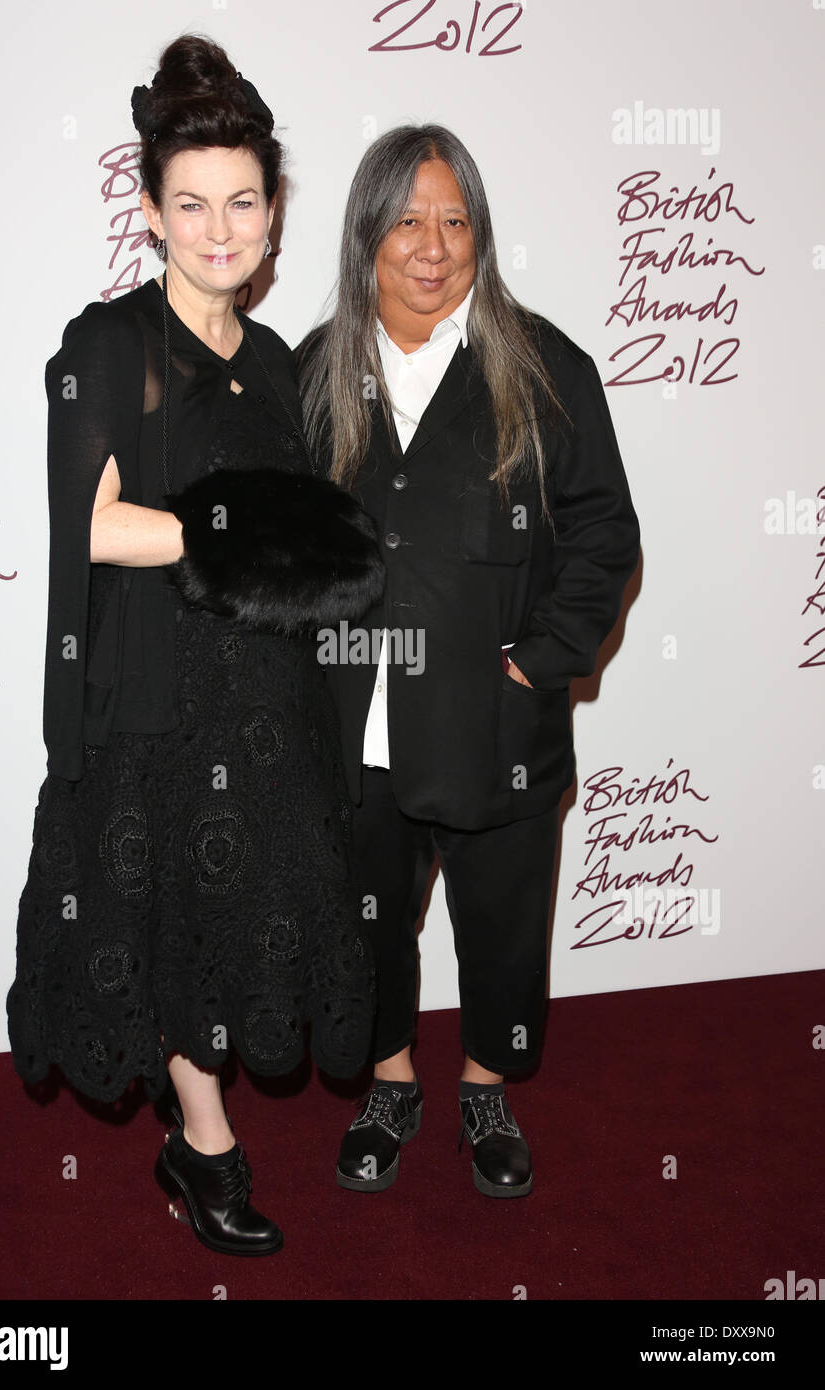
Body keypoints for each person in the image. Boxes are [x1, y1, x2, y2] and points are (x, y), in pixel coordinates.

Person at [6, 34, 384, 1255]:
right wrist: (229, 535)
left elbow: (300, 537)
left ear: (274, 212)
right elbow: (93, 526)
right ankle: (204, 1141)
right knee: (166, 915)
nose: (218, 229)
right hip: (154, 692)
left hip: (263, 693)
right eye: (190, 204)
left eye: (241, 203)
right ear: (150, 210)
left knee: (241, 913)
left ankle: (194, 1120)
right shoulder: (107, 347)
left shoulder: (278, 365)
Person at [296, 125, 640, 1199]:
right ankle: (390, 1080)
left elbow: (602, 538)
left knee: (499, 931)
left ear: (479, 236)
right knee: (366, 927)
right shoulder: (310, 375)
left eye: (453, 221)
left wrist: (536, 666)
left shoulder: (543, 369)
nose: (432, 245)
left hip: (495, 727)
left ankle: (485, 1084)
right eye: (407, 220)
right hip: (357, 731)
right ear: (366, 238)